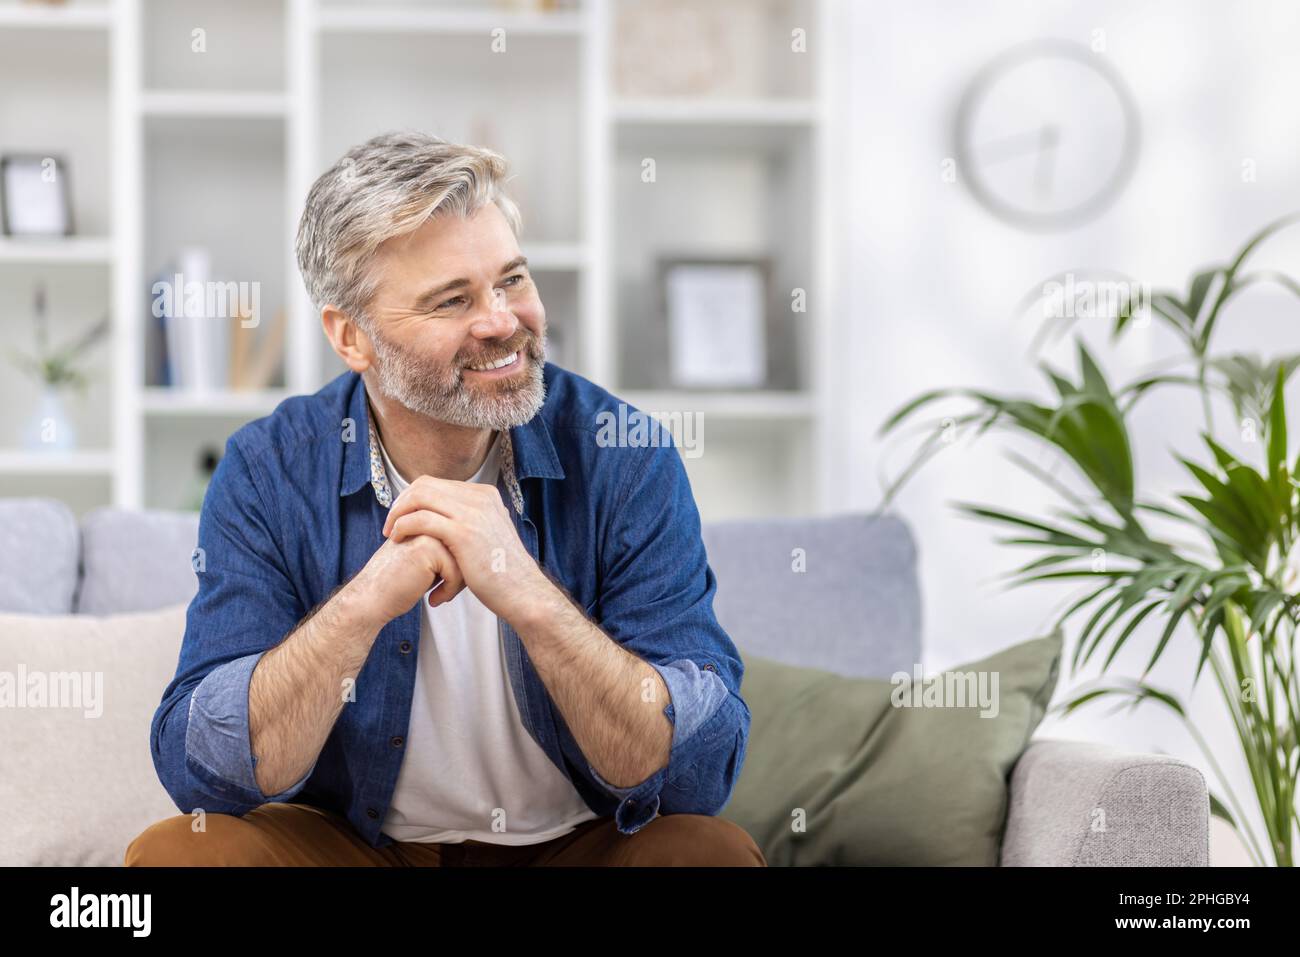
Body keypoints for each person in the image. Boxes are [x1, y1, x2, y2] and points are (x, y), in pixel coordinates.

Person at [125, 131, 763, 867]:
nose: (501, 321)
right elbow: (200, 770)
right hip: (360, 850)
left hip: (576, 847)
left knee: (705, 852)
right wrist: (364, 604)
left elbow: (698, 772)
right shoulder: (268, 469)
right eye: (452, 299)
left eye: (512, 280)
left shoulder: (624, 452)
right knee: (183, 854)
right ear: (352, 338)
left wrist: (528, 593)